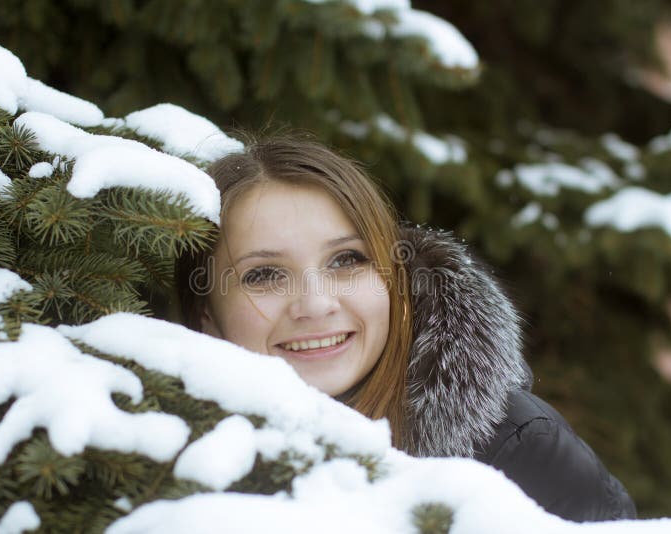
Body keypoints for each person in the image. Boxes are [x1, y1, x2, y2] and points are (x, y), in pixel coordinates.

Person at [176, 135, 636, 522]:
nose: (315, 305)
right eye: (264, 275)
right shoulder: (157, 460)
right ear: (207, 317)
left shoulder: (514, 451)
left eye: (346, 260)